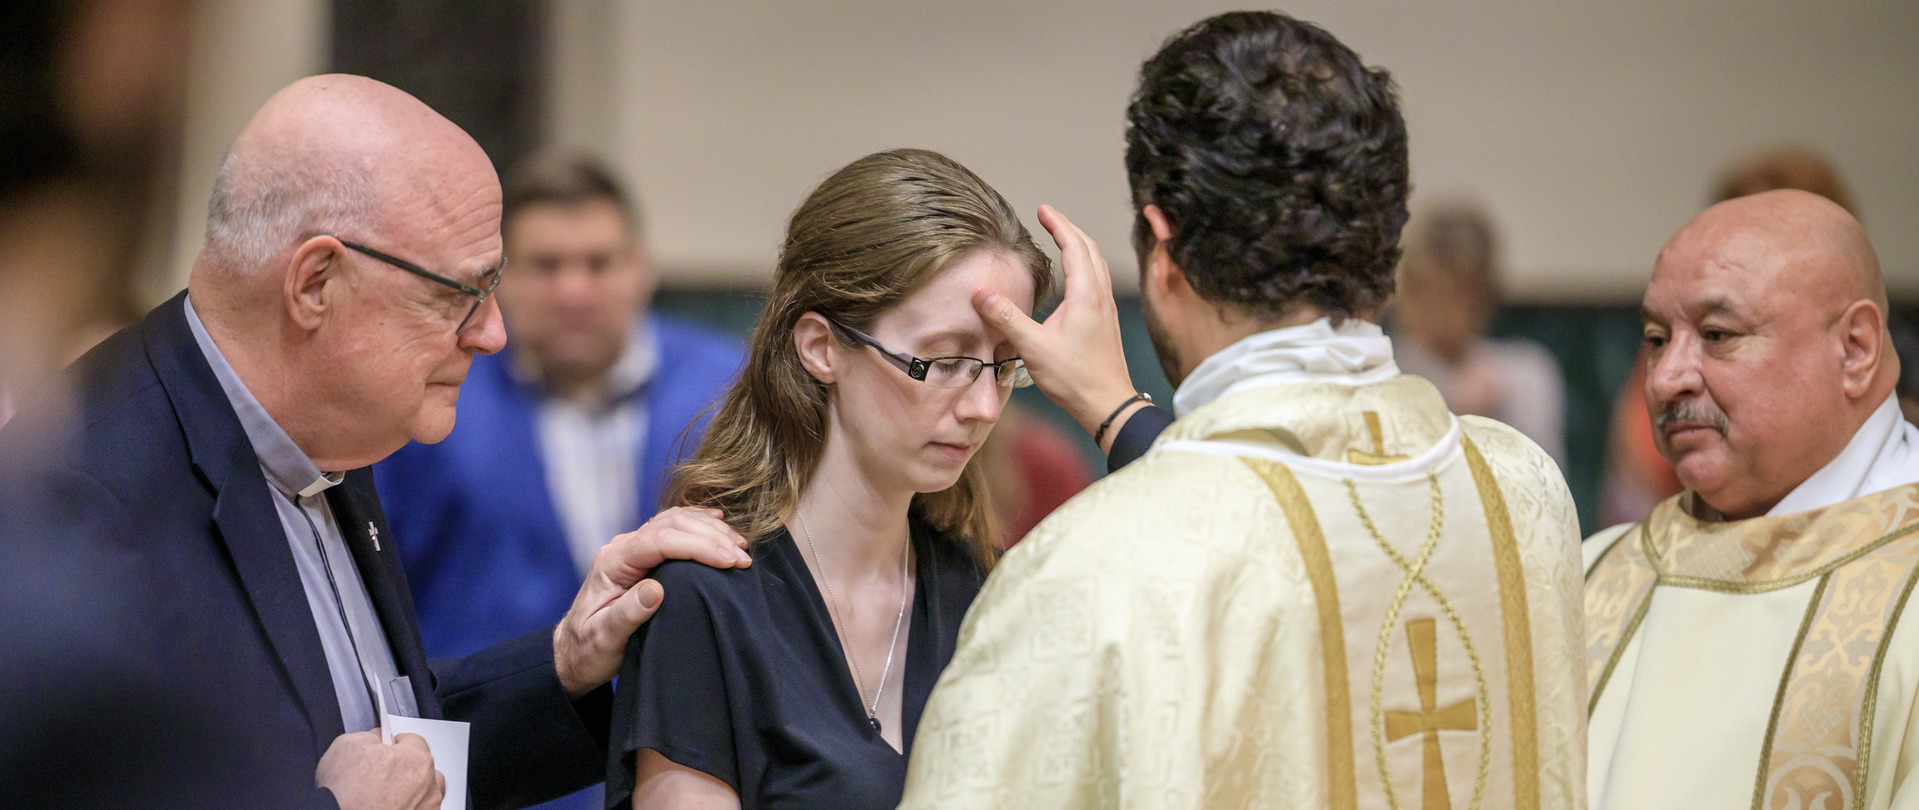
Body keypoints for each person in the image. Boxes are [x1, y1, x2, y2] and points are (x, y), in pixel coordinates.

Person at [0, 74, 751, 810]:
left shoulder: (329, 423)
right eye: (458, 294)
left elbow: (388, 744)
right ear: (316, 285)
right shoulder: (84, 493)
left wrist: (565, 662)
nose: (492, 334)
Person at [901, 12, 1587, 807]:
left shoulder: (1085, 566)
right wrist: (1118, 412)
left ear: (1163, 249)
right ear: (1383, 248)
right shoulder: (1523, 494)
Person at [604, 148, 1054, 809]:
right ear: (820, 347)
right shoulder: (706, 601)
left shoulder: (998, 598)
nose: (982, 406)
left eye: (1004, 364)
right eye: (941, 360)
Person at [1582, 189, 1919, 809]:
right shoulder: (1592, 576)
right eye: (1657, 338)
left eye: (1717, 334)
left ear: (1856, 350)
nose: (1664, 379)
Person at [373, 154, 741, 665]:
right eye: (546, 266)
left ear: (641, 269)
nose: (573, 291)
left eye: (598, 263)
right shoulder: (432, 399)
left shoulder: (729, 392)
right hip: (482, 724)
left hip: (675, 725)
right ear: (499, 278)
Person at [1391, 200, 1567, 465]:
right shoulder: (1380, 375)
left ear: (1483, 295)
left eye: (1452, 294)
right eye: (1425, 290)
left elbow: (1548, 487)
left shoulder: (1525, 374)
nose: (1436, 307)